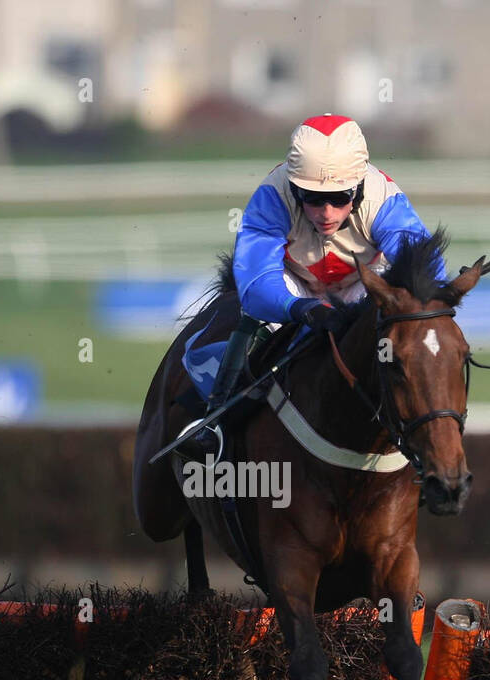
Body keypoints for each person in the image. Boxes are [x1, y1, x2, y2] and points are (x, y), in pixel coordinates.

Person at [177, 114, 446, 459]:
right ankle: (215, 421)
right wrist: (301, 308)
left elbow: (423, 265)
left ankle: (428, 431)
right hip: (293, 283)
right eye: (313, 198)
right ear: (294, 188)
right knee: (251, 320)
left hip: (361, 282)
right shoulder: (273, 195)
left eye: (340, 197)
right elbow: (257, 282)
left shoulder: (384, 199)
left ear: (359, 188)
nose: (326, 212)